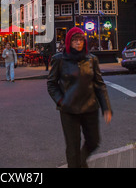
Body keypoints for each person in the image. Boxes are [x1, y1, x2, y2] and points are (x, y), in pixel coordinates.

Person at [47, 27, 112, 168]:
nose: (78, 43)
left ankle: (81, 161)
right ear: (69, 42)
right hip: (69, 110)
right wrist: (61, 101)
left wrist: (106, 107)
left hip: (90, 107)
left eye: (81, 39)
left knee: (94, 141)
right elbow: (51, 84)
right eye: (75, 40)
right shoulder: (59, 60)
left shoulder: (92, 59)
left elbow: (100, 85)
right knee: (72, 147)